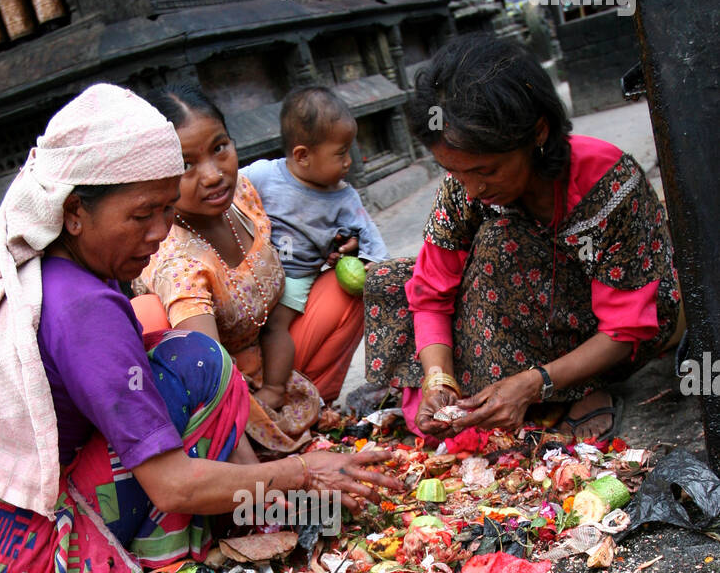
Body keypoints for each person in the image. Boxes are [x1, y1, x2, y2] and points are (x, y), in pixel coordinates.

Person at [0, 84, 401, 573]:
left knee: (165, 343)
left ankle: (242, 509)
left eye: (169, 210)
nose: (159, 232)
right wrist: (303, 473)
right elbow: (171, 485)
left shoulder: (53, 269)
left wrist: (269, 485)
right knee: (197, 360)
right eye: (143, 214)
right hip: (34, 553)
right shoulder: (83, 308)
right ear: (74, 212)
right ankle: (162, 555)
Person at [363, 35, 682, 441]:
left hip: (609, 336)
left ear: (538, 133)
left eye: (486, 171)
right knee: (387, 282)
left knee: (502, 243)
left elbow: (624, 329)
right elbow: (429, 292)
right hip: (514, 318)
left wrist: (535, 382)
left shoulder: (608, 184)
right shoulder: (464, 186)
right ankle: (494, 390)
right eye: (455, 171)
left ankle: (569, 392)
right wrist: (437, 377)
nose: (472, 189)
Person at [133, 86, 366, 454]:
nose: (212, 175)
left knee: (349, 291)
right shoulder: (177, 260)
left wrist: (336, 243)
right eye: (186, 164)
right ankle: (257, 448)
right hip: (230, 393)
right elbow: (207, 379)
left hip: (275, 351)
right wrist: (259, 489)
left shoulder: (242, 190)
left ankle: (318, 408)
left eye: (219, 148)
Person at [242, 85, 387, 338]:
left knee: (276, 328)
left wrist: (376, 261)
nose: (349, 161)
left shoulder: (343, 196)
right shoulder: (264, 175)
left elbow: (367, 231)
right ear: (302, 156)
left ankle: (276, 378)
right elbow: (231, 186)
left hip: (297, 276)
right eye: (341, 154)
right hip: (259, 269)